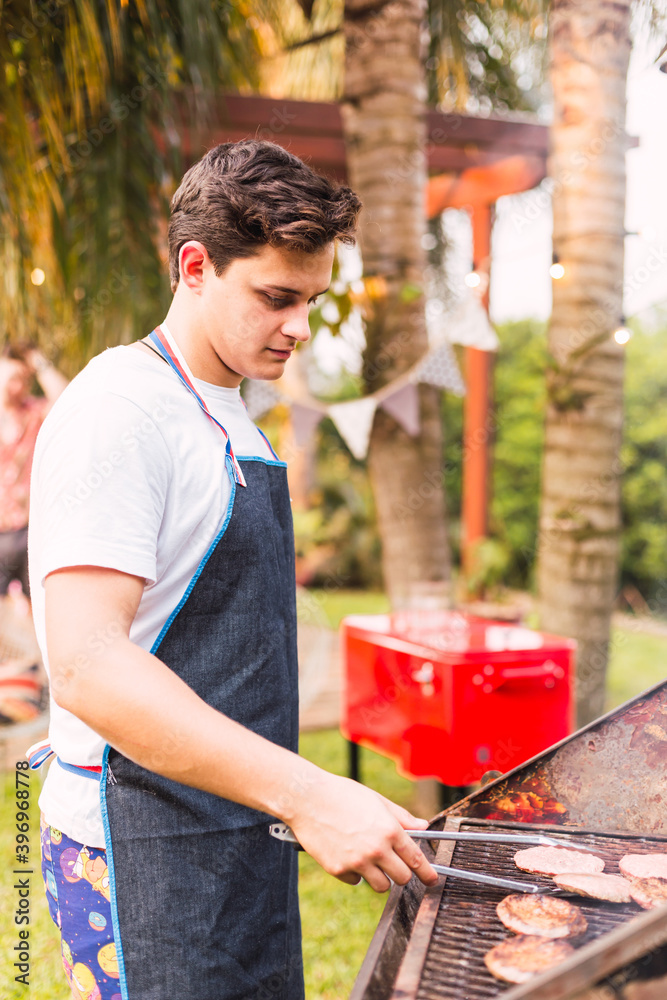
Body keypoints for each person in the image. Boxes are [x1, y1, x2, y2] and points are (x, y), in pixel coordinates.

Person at [28, 140, 438, 1000]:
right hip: (136, 845)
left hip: (236, 827)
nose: (298, 325)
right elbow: (88, 667)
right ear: (195, 266)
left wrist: (292, 801)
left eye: (311, 301)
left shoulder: (235, 416)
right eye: (275, 297)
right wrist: (309, 793)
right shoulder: (121, 411)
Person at [0, 343, 67, 598]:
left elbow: (67, 399)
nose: (18, 387)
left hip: (30, 532)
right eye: (13, 378)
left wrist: (38, 361)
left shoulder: (33, 412)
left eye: (24, 380)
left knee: (40, 607)